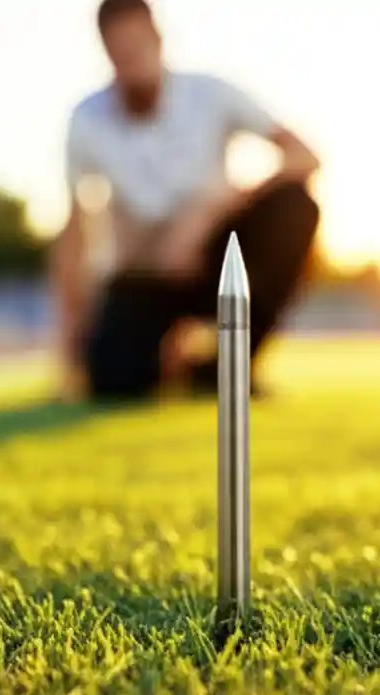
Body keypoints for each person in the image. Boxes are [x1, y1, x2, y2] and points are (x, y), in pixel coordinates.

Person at [52, 0, 321, 400]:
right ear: (106, 52)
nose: (131, 61)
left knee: (295, 206)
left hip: (217, 260)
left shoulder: (211, 94)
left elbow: (305, 156)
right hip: (144, 273)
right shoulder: (87, 120)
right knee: (112, 380)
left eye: (138, 46)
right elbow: (76, 230)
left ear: (158, 40)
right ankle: (168, 362)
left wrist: (210, 211)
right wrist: (73, 330)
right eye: (119, 52)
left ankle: (226, 366)